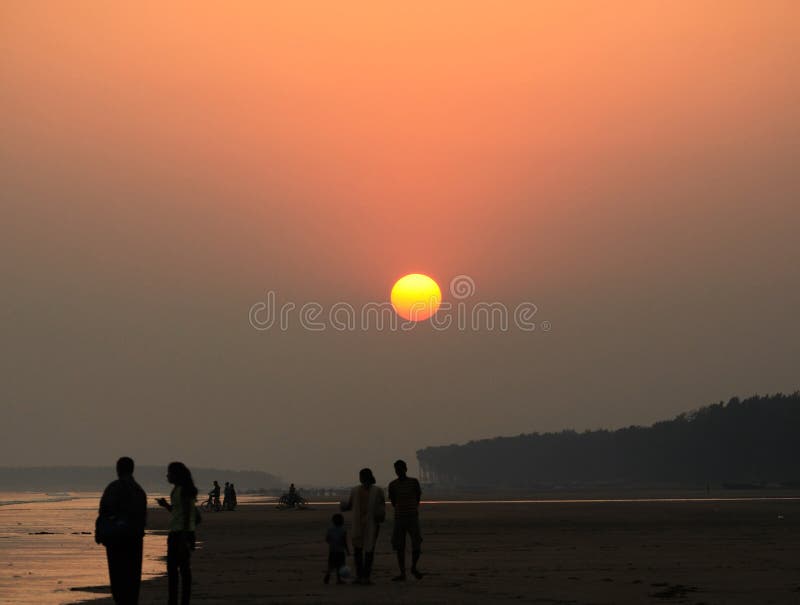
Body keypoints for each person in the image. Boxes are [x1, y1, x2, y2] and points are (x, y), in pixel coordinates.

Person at [95, 457, 147, 605]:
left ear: (118, 469)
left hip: (115, 540)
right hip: (134, 539)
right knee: (132, 578)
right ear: (132, 469)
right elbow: (142, 518)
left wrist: (100, 533)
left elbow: (103, 512)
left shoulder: (113, 488)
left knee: (117, 578)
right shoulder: (139, 490)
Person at [156, 462, 198, 605]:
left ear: (176, 475)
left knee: (176, 571)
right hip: (181, 532)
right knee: (181, 569)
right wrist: (166, 505)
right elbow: (178, 511)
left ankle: (176, 601)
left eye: (169, 473)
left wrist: (184, 538)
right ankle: (180, 600)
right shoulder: (180, 489)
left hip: (180, 534)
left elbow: (186, 514)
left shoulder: (183, 490)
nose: (167, 476)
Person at [341, 468, 385, 584]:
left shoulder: (375, 491)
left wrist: (343, 506)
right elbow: (382, 508)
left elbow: (349, 505)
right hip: (362, 525)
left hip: (369, 524)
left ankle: (363, 576)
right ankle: (363, 576)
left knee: (363, 551)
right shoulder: (359, 490)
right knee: (364, 551)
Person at [388, 459, 424, 581]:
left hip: (412, 517)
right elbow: (393, 502)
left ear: (405, 469)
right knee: (399, 546)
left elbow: (418, 497)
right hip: (399, 518)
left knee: (416, 543)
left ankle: (413, 567)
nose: (399, 472)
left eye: (400, 469)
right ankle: (402, 573)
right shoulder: (393, 485)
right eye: (397, 470)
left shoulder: (414, 482)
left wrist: (411, 508)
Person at [324, 513, 350, 584]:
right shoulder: (343, 530)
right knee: (340, 565)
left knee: (331, 564)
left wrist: (332, 543)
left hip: (332, 550)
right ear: (342, 521)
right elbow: (344, 542)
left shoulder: (330, 529)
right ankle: (338, 579)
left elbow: (327, 539)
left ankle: (328, 574)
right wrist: (347, 550)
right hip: (340, 551)